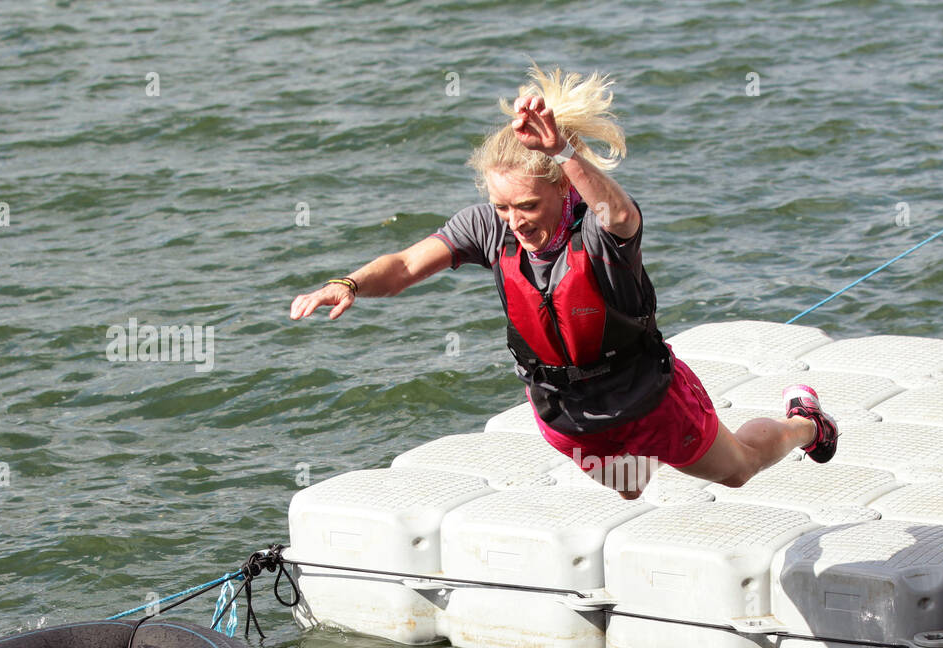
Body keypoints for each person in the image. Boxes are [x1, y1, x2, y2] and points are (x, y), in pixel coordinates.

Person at [289, 66, 837, 499]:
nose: (514, 220)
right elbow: (407, 266)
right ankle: (643, 457)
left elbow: (622, 216)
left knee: (738, 470)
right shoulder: (488, 227)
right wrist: (351, 283)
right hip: (568, 414)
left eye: (527, 205)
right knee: (631, 489)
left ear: (562, 192)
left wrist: (565, 153)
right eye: (502, 206)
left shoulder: (598, 229)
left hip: (647, 397)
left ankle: (805, 423)